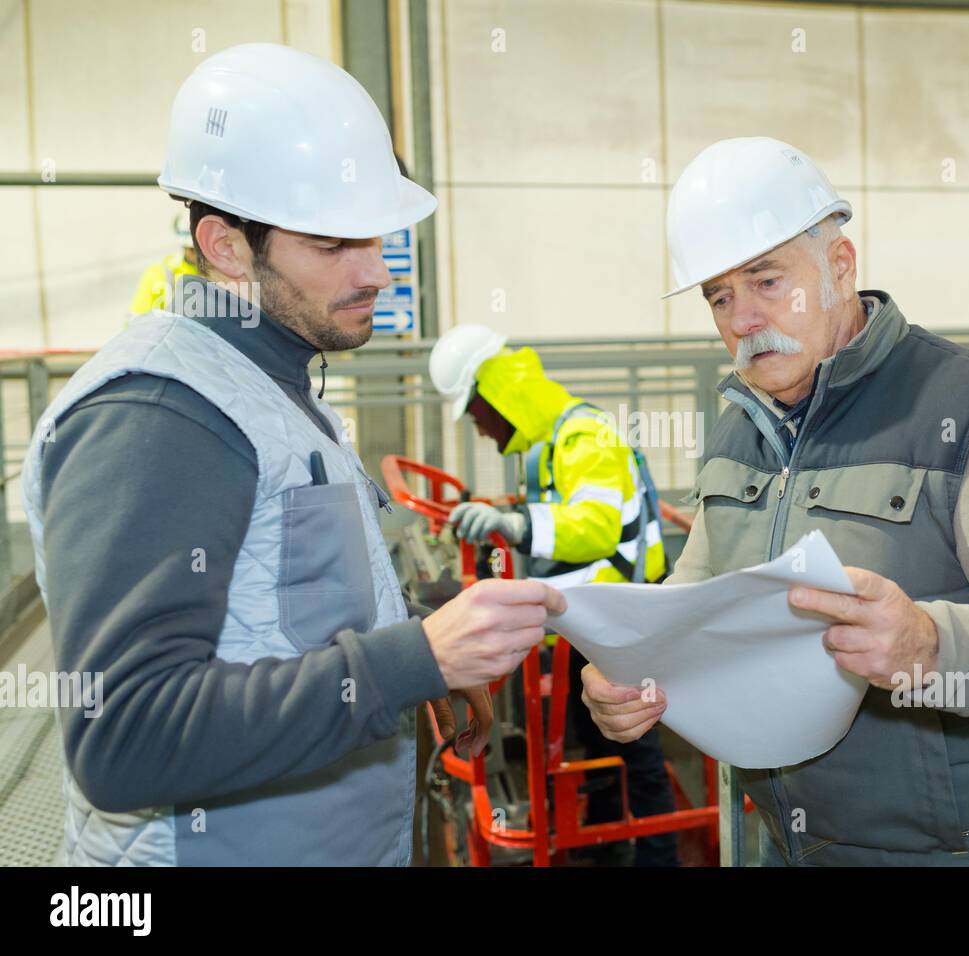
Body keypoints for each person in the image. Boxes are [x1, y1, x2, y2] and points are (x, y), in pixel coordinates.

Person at [19, 42, 562, 867]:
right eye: (334, 244)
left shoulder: (276, 388)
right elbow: (121, 734)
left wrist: (423, 672)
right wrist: (414, 659)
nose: (378, 271)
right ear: (228, 246)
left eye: (376, 238)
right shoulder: (161, 415)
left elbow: (281, 624)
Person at [579, 136, 969, 866]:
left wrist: (932, 647)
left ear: (840, 266)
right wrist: (634, 662)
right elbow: (696, 589)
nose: (742, 318)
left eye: (767, 281)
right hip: (791, 842)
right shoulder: (739, 426)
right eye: (719, 295)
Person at [429, 328, 679, 865]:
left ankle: (659, 856)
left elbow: (593, 527)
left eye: (475, 413)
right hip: (593, 625)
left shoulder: (584, 438)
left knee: (636, 749)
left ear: (497, 395)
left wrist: (512, 523)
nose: (478, 427)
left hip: (625, 622)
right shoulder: (551, 446)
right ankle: (610, 846)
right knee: (600, 741)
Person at [127, 212, 201, 316]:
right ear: (183, 246)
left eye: (201, 249)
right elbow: (138, 321)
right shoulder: (157, 275)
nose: (199, 255)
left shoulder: (221, 272)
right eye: (193, 249)